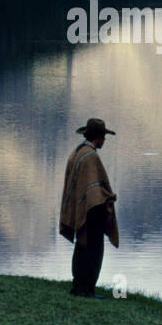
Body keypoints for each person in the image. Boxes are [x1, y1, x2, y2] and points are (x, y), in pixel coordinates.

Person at [58, 118, 119, 298]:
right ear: (98, 137)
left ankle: (78, 285)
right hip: (92, 210)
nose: (104, 141)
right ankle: (87, 288)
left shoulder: (77, 152)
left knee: (81, 246)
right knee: (93, 249)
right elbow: (97, 187)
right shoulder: (91, 157)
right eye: (103, 137)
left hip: (81, 208)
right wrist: (108, 198)